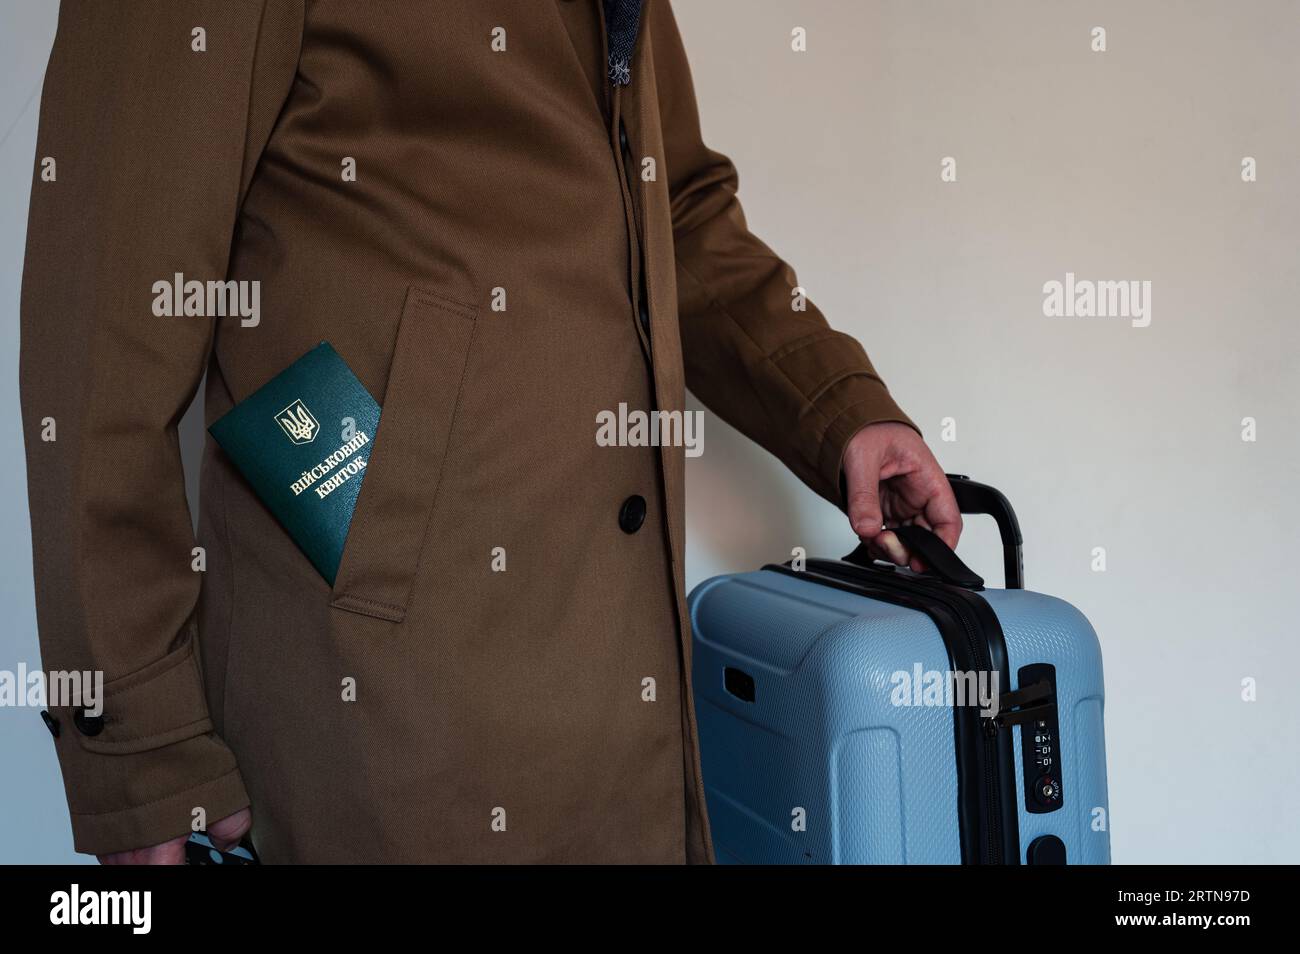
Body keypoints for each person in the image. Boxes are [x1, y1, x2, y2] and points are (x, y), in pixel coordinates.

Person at [20, 0, 960, 864]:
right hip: (387, 714)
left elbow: (670, 206)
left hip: (622, 690)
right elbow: (105, 312)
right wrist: (138, 755)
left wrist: (838, 407)